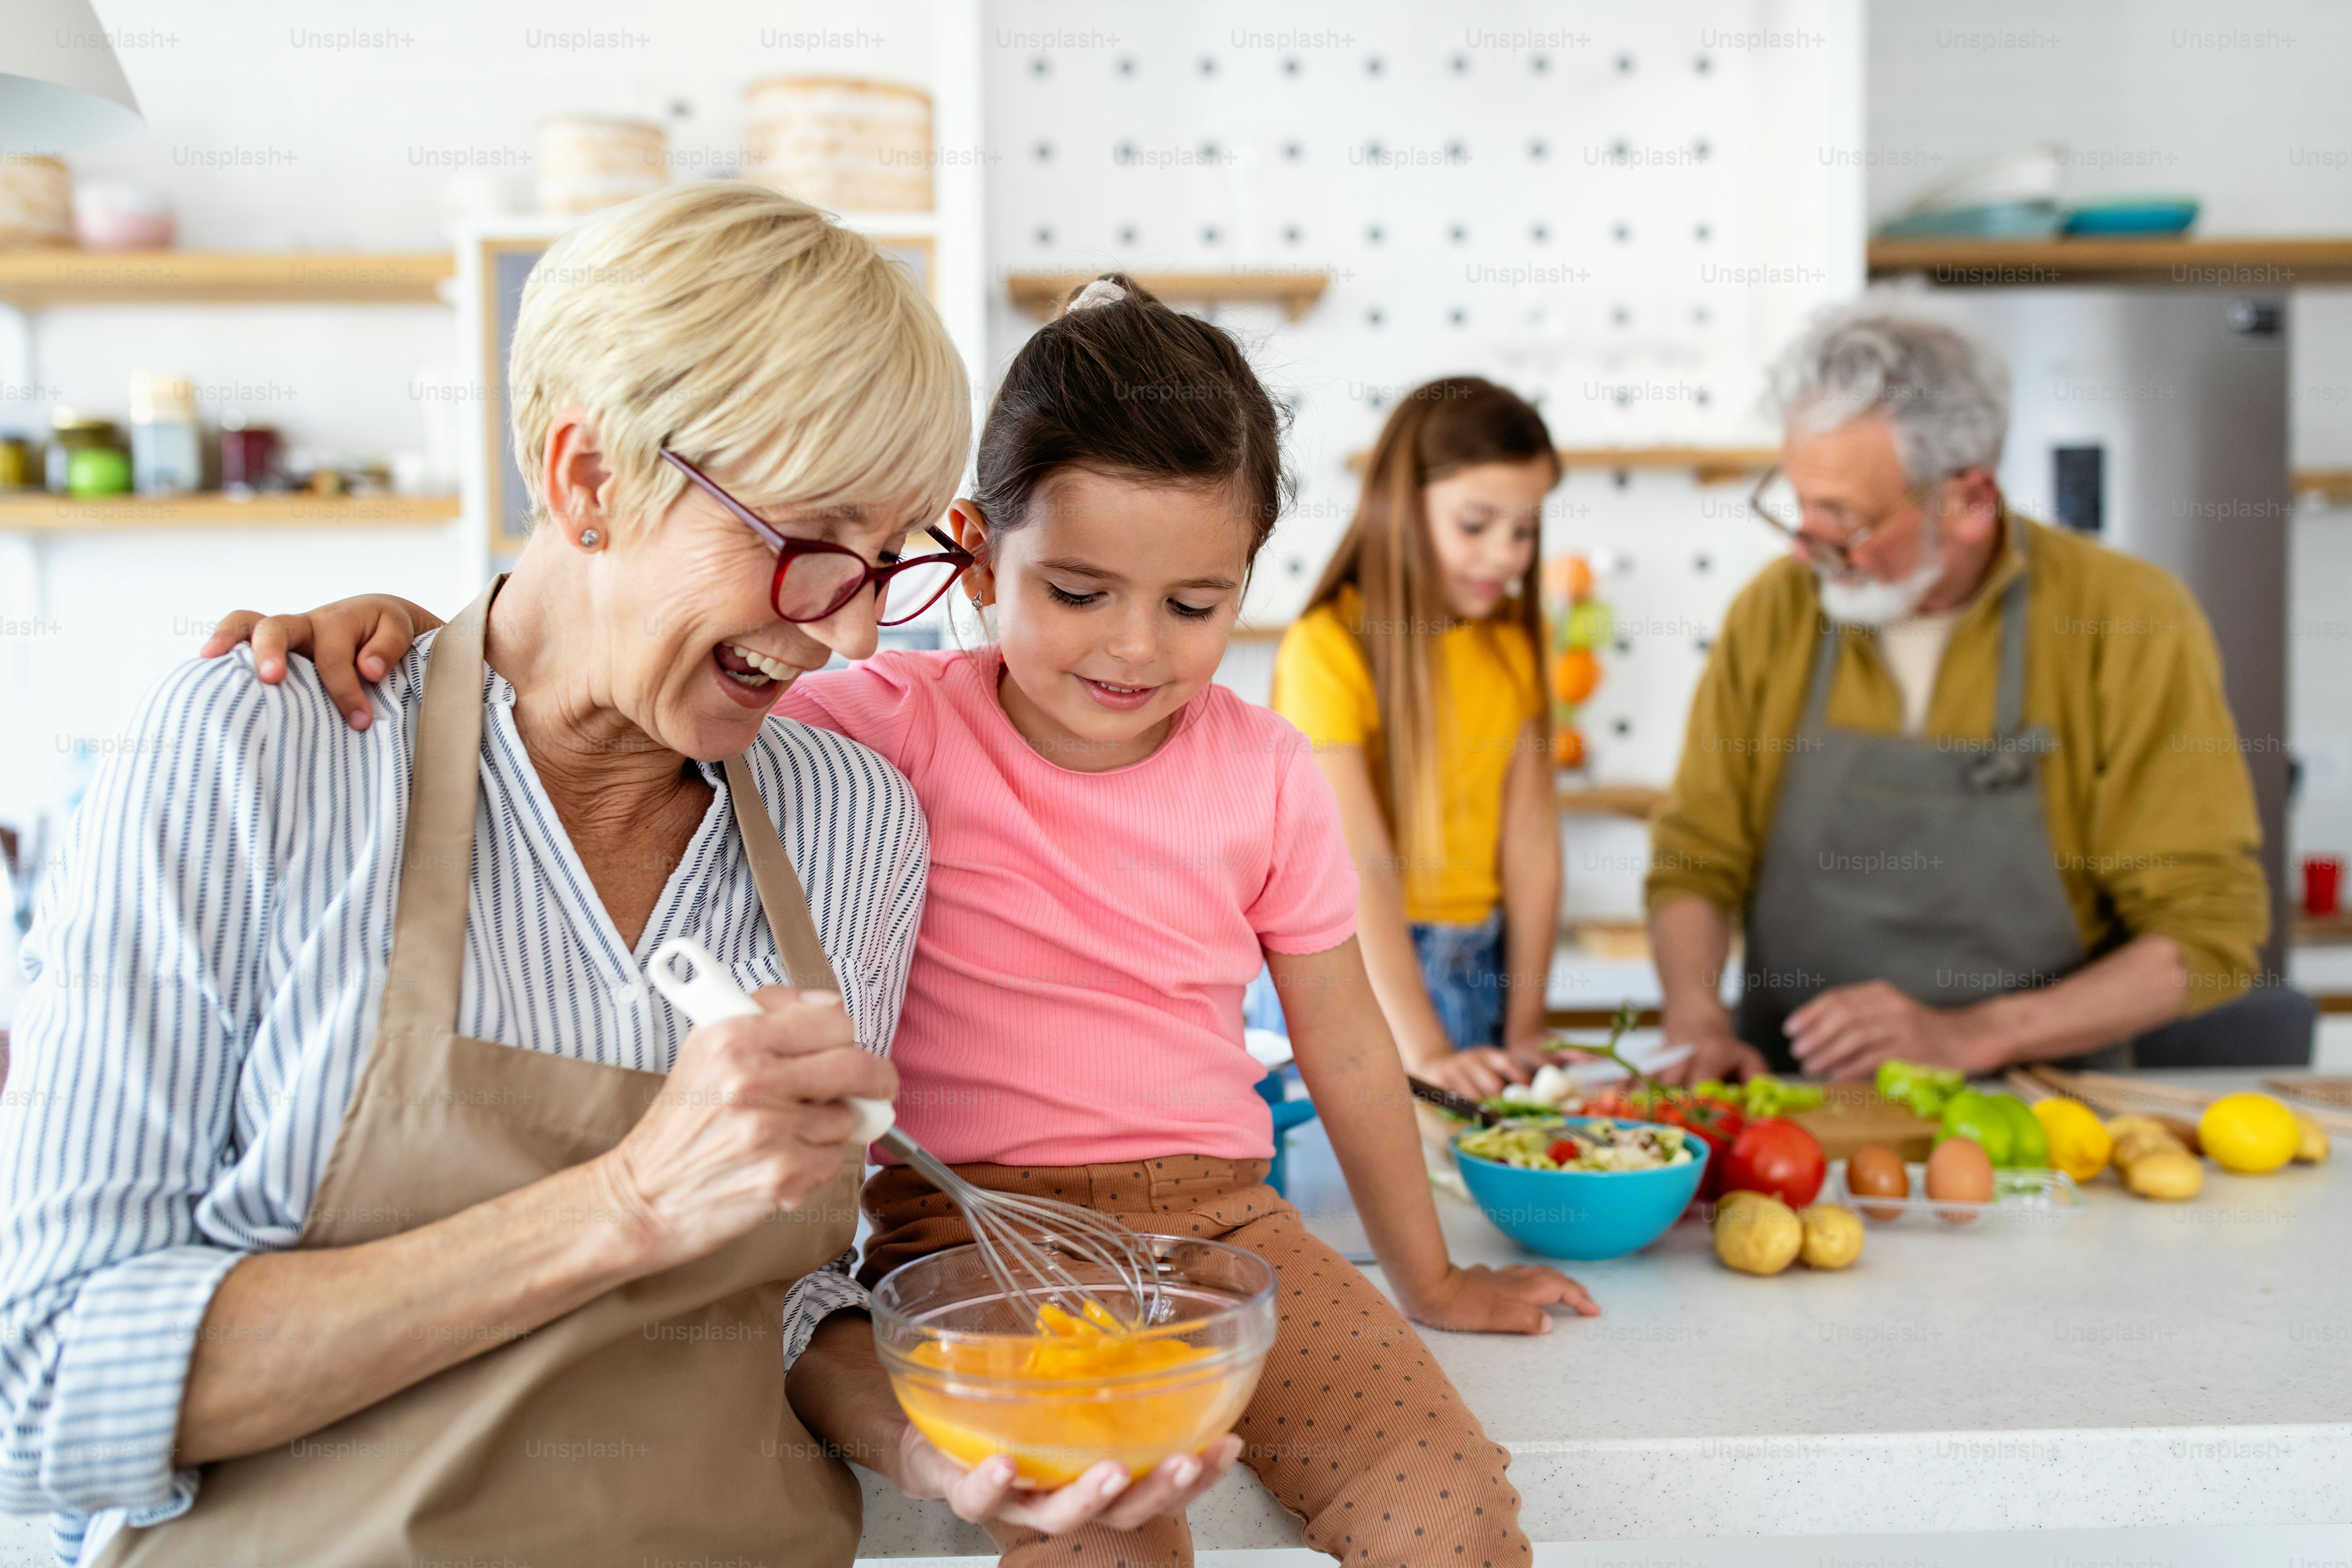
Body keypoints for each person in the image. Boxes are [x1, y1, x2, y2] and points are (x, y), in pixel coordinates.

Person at [204, 275, 1602, 1568]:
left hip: (1222, 1221)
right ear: (980, 560)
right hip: (961, 1230)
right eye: (1078, 592)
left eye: (1196, 602)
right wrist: (408, 626)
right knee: (1097, 1531)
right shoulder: (879, 723)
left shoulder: (1265, 766)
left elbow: (1345, 1039)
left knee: (1450, 1511)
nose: (1135, 647)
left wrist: (1427, 1271)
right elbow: (614, 659)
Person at [0, 185, 1213, 1568]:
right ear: (588, 480)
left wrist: (940, 1444)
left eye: (890, 562)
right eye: (813, 541)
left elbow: (787, 1297)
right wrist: (622, 1206)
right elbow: (48, 1389)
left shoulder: (852, 823)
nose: (856, 632)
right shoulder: (267, 754)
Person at [1648, 297, 2270, 1084]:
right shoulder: (1776, 613)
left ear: (1971, 501)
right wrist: (1697, 1021)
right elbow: (1695, 862)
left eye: (1846, 520)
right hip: (1795, 1112)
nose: (1809, 549)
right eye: (1798, 502)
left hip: (2041, 1117)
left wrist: (1972, 1034)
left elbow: (2209, 932)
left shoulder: (2128, 621)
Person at [1270, 378, 1562, 1100]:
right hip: (1366, 978)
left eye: (1524, 529)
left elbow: (1531, 842)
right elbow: (1355, 862)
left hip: (1485, 966)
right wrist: (1425, 1047)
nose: (1504, 554)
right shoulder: (1328, 649)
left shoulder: (1515, 647)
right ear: (1402, 507)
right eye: (1476, 524)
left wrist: (1526, 1029)